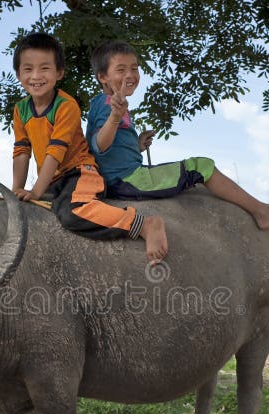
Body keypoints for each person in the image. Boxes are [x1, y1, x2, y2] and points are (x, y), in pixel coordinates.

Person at [86, 40, 269, 230]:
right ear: (102, 77)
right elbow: (99, 145)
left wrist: (137, 145)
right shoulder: (109, 106)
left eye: (134, 68)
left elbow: (111, 147)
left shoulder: (104, 103)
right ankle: (261, 211)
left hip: (119, 176)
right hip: (126, 180)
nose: (130, 75)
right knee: (201, 165)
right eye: (121, 70)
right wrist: (114, 117)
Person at [10, 32, 168, 263]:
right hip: (54, 179)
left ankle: (143, 224)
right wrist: (16, 190)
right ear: (18, 74)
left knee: (72, 213)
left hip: (80, 172)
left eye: (44, 68)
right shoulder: (21, 109)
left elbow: (55, 152)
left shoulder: (66, 106)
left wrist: (34, 192)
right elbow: (21, 151)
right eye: (28, 69)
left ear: (59, 72)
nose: (36, 76)